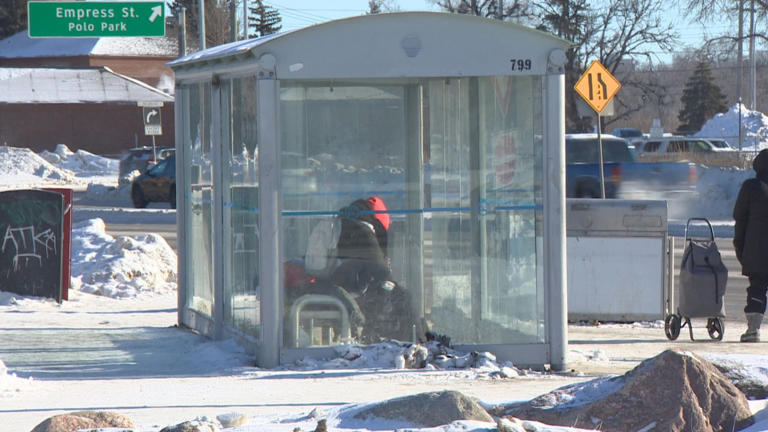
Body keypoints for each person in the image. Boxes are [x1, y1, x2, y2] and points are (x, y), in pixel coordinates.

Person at [733, 149, 768, 342]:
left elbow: (740, 219)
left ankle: (753, 330)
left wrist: (740, 246)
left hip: (757, 252)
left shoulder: (751, 187)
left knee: (757, 289)